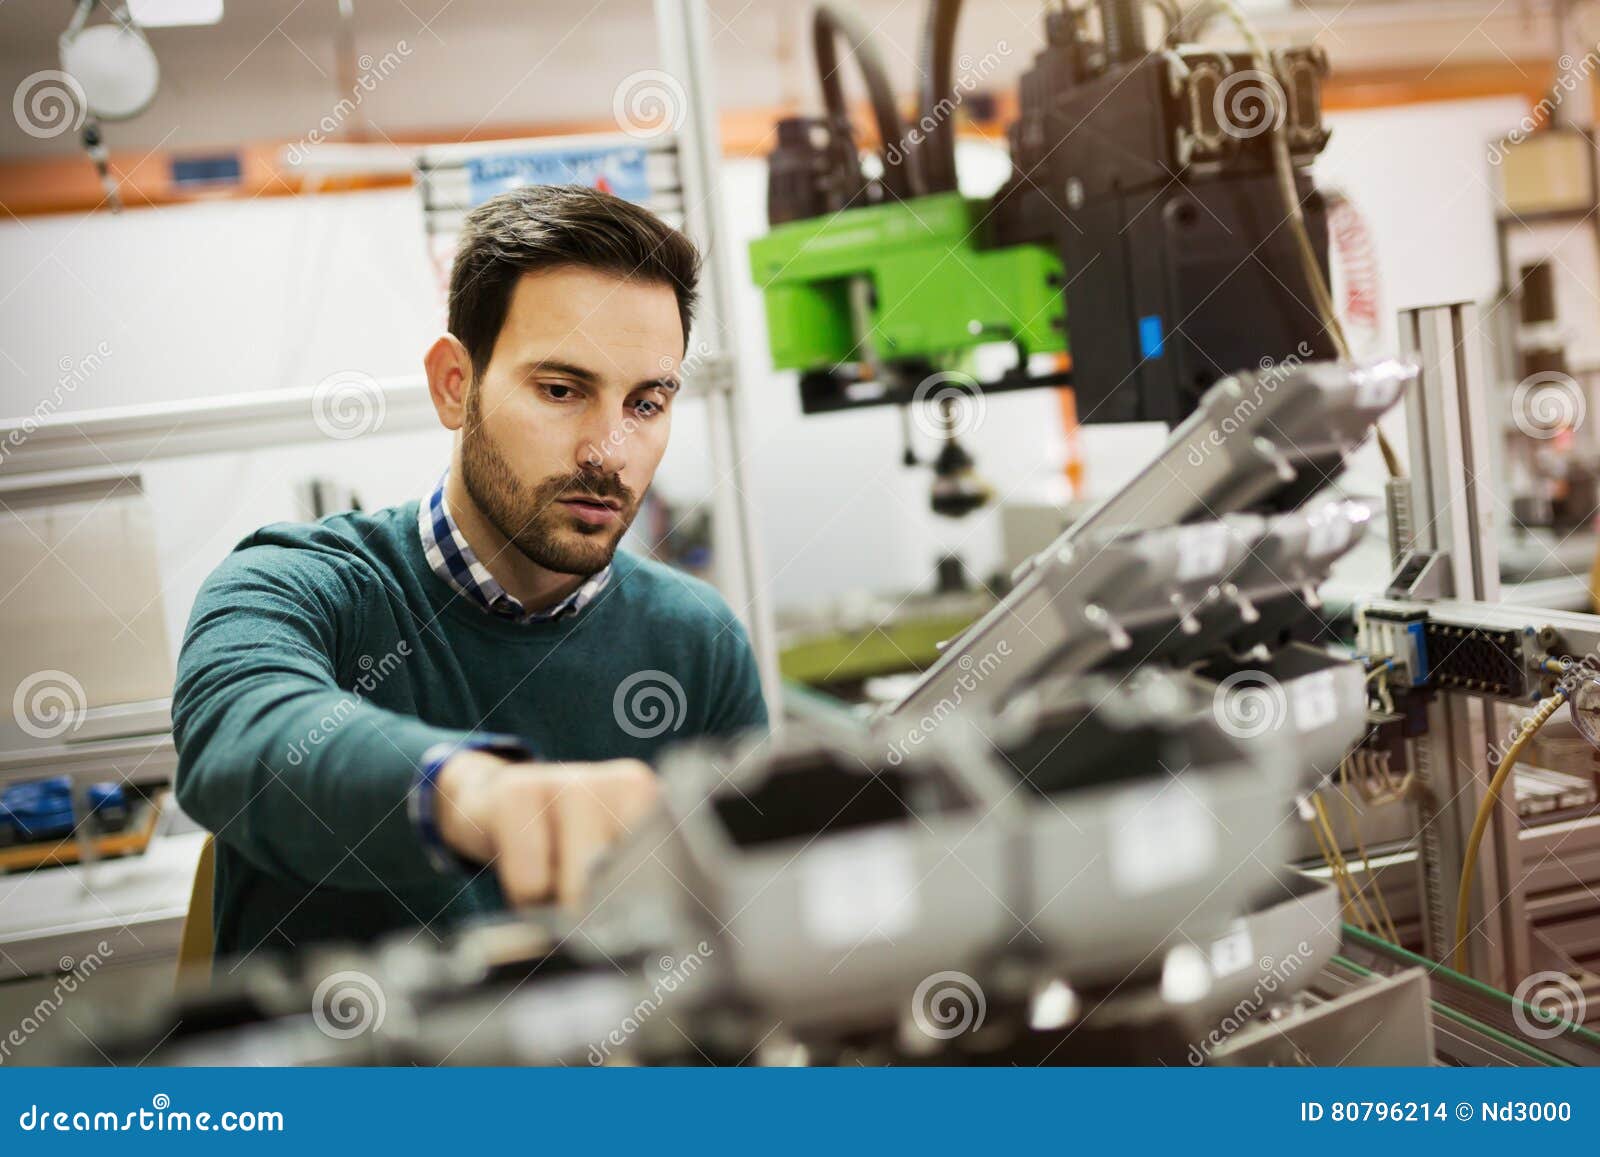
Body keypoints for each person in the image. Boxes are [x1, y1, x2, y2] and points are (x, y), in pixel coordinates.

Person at [172, 184, 768, 960]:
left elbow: (750, 932)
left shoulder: (697, 642)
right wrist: (471, 790)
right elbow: (240, 736)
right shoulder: (296, 585)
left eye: (646, 403)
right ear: (455, 384)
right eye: (561, 389)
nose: (608, 451)